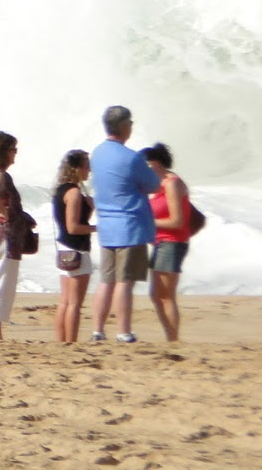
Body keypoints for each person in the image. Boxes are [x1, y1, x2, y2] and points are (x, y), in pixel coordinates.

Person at [89, 105, 162, 344]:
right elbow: (154, 185)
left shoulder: (97, 154)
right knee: (125, 282)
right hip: (129, 225)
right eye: (130, 123)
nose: (131, 127)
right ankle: (123, 330)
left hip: (107, 225)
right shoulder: (131, 157)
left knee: (106, 281)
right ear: (123, 126)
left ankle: (98, 330)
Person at [0, 131, 34, 341]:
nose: (15, 154)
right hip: (3, 234)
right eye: (13, 149)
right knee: (0, 283)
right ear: (4, 152)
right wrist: (5, 213)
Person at [143, 143, 191, 342]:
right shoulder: (160, 184)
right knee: (157, 295)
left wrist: (147, 222)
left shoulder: (171, 183)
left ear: (157, 162)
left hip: (172, 242)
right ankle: (171, 338)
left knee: (165, 295)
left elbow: (177, 221)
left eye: (148, 164)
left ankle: (173, 339)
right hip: (162, 242)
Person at [51, 149, 97, 343]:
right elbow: (73, 227)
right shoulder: (74, 193)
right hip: (77, 248)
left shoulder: (60, 190)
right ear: (76, 168)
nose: (89, 170)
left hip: (64, 247)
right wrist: (96, 228)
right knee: (74, 304)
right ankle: (70, 341)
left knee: (65, 301)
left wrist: (89, 209)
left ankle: (61, 341)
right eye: (86, 167)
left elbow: (67, 223)